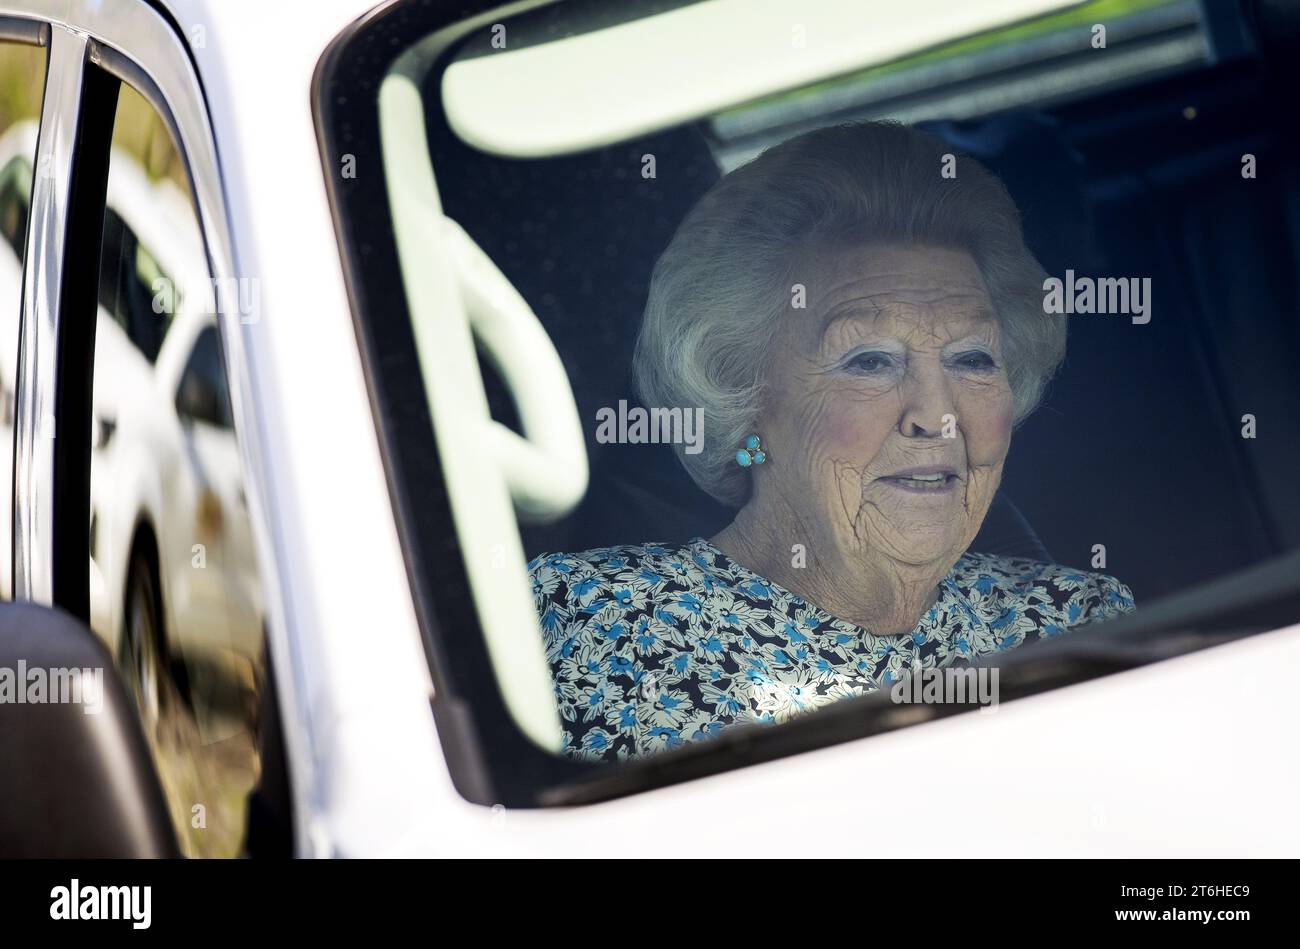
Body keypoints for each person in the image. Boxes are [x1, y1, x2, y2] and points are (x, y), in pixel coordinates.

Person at [529, 121, 1134, 761]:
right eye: (869, 360)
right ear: (742, 394)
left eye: (973, 359)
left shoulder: (1076, 616)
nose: (938, 416)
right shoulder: (579, 616)